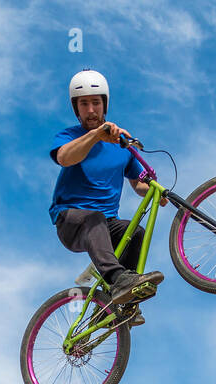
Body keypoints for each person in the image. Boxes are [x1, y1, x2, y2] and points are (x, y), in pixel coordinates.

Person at [49, 69, 165, 327]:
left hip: (105, 226)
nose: (91, 110)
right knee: (94, 217)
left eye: (96, 103)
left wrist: (157, 191)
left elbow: (138, 184)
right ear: (76, 110)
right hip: (71, 220)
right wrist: (97, 135)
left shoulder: (122, 147)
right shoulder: (70, 136)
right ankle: (118, 279)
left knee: (134, 231)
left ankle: (118, 305)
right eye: (84, 104)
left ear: (105, 105)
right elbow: (65, 158)